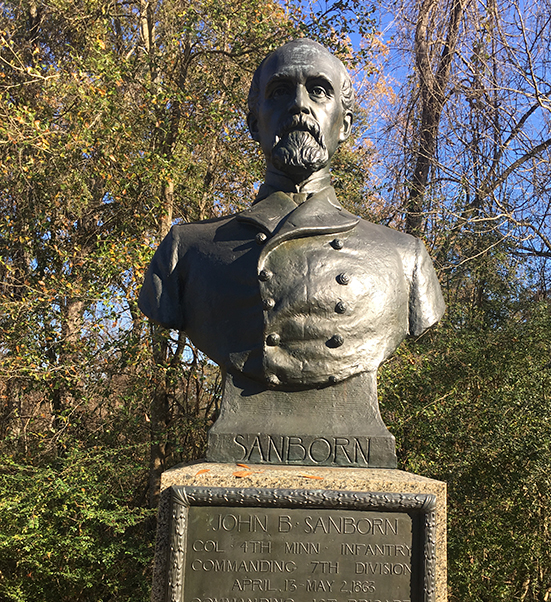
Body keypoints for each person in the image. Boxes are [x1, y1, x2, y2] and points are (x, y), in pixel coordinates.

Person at [138, 39, 445, 467]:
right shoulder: (187, 250)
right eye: (280, 91)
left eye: (318, 90)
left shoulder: (403, 256)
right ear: (254, 121)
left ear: (345, 123)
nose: (299, 105)